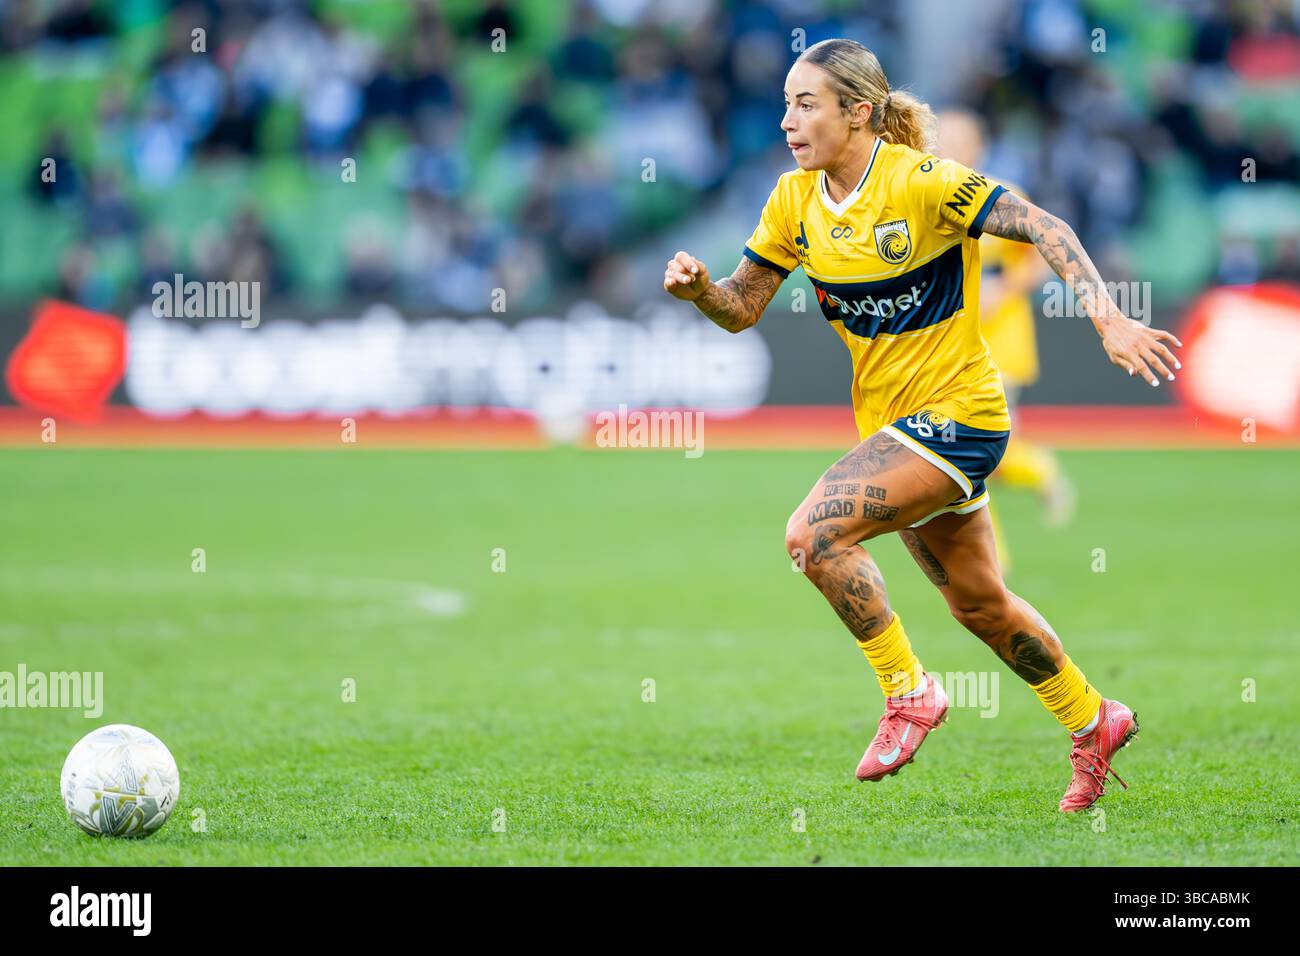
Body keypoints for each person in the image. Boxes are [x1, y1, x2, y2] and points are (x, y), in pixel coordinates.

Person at [662, 38, 1181, 812]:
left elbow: (1046, 226)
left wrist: (1107, 320)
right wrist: (702, 291)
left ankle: (908, 692)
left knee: (813, 536)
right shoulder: (792, 201)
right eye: (784, 105)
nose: (787, 121)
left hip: (961, 418)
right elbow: (742, 308)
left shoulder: (924, 184)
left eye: (806, 104)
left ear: (859, 111)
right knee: (980, 604)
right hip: (898, 430)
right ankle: (1093, 717)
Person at [936, 108, 1076, 551]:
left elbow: (1041, 257)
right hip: (945, 346)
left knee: (976, 448)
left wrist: (1002, 288)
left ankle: (989, 558)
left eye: (959, 140)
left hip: (999, 341)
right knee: (957, 447)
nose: (948, 148)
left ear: (979, 147)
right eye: (942, 139)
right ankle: (1037, 471)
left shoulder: (1003, 195)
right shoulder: (923, 196)